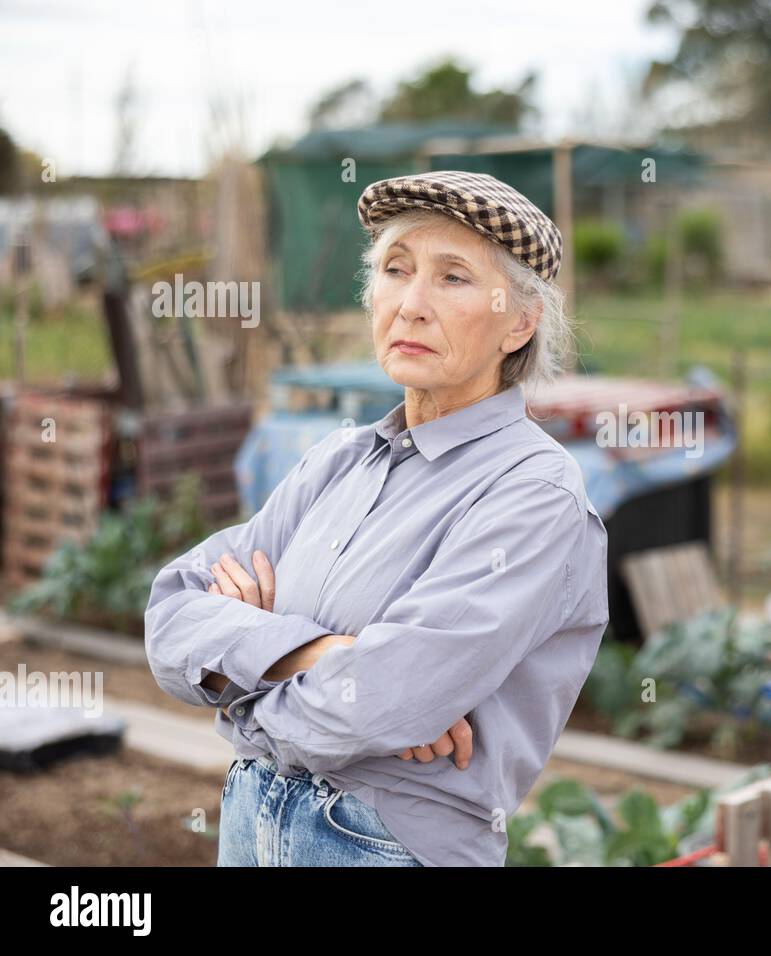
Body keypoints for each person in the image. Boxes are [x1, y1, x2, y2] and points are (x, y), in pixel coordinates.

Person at [144, 171, 609, 866]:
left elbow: (381, 701)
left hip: (381, 844)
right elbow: (171, 614)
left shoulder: (535, 493)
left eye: (453, 277)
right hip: (251, 820)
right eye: (396, 270)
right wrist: (322, 653)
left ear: (520, 321)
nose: (411, 305)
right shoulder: (337, 459)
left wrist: (235, 684)